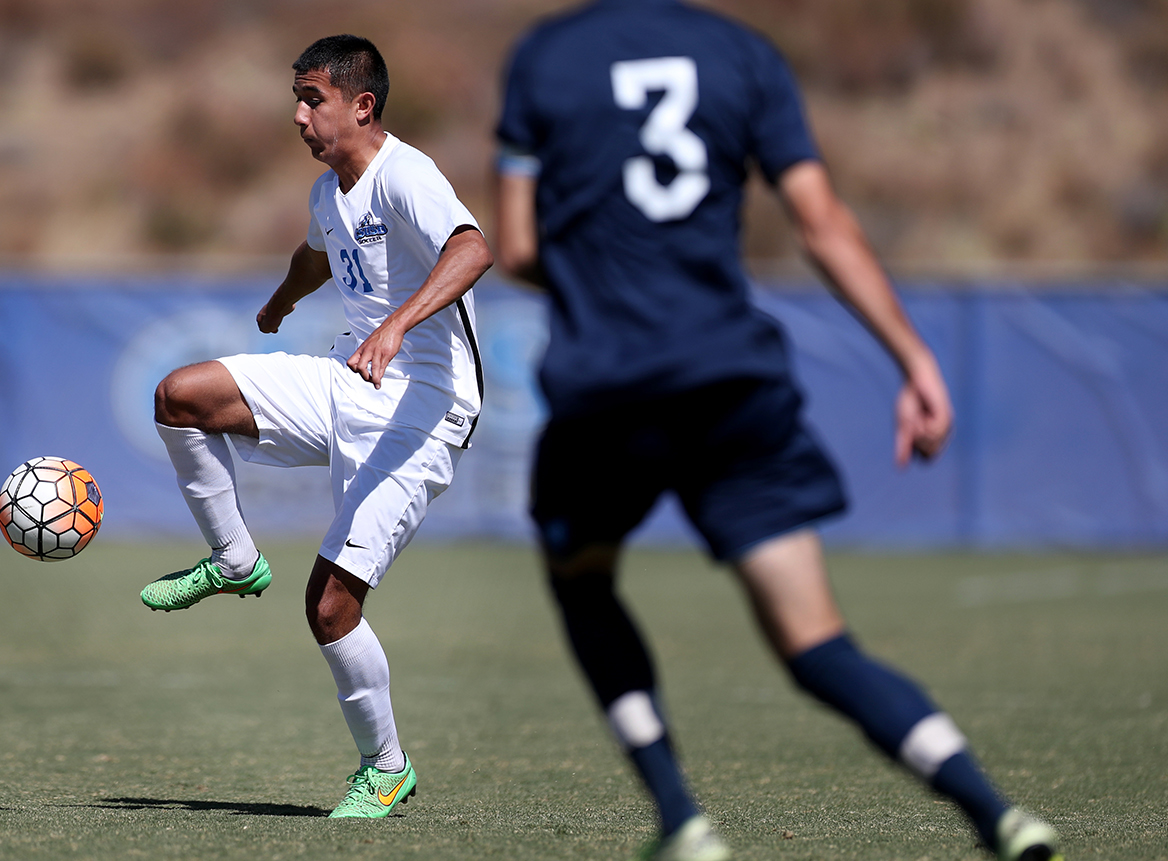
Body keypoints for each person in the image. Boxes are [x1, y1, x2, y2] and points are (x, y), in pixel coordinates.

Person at [493, 2, 1062, 860]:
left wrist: (596, 279)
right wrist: (914, 358)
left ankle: (681, 817)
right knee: (817, 642)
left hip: (609, 389)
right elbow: (822, 225)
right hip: (730, 381)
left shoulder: (545, 57)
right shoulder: (743, 55)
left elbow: (515, 246)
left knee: (582, 579)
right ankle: (996, 813)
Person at [142, 34, 491, 819]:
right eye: (296, 100)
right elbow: (317, 256)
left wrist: (397, 324)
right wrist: (281, 301)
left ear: (362, 105)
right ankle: (234, 559)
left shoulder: (407, 174)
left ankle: (386, 767)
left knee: (331, 607)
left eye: (312, 100)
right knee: (180, 395)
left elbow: (472, 249)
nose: (299, 116)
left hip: (423, 408)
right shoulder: (329, 192)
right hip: (348, 380)